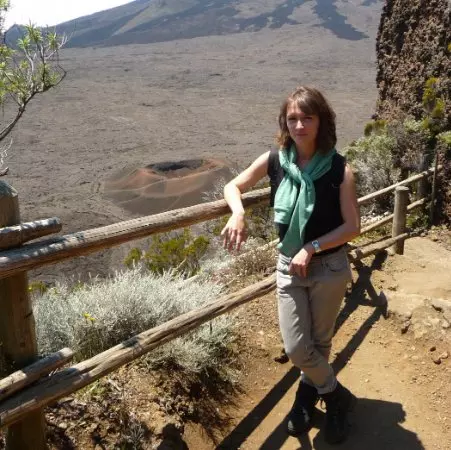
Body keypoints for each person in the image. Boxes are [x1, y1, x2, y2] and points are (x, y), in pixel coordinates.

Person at [221, 86, 361, 444]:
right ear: (285, 121)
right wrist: (238, 213)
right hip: (288, 267)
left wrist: (312, 246)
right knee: (298, 347)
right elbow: (233, 186)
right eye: (293, 118)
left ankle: (304, 397)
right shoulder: (274, 160)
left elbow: (352, 226)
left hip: (328, 267)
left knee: (319, 342)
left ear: (320, 121)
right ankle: (336, 396)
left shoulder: (340, 170)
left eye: (307, 117)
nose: (299, 124)